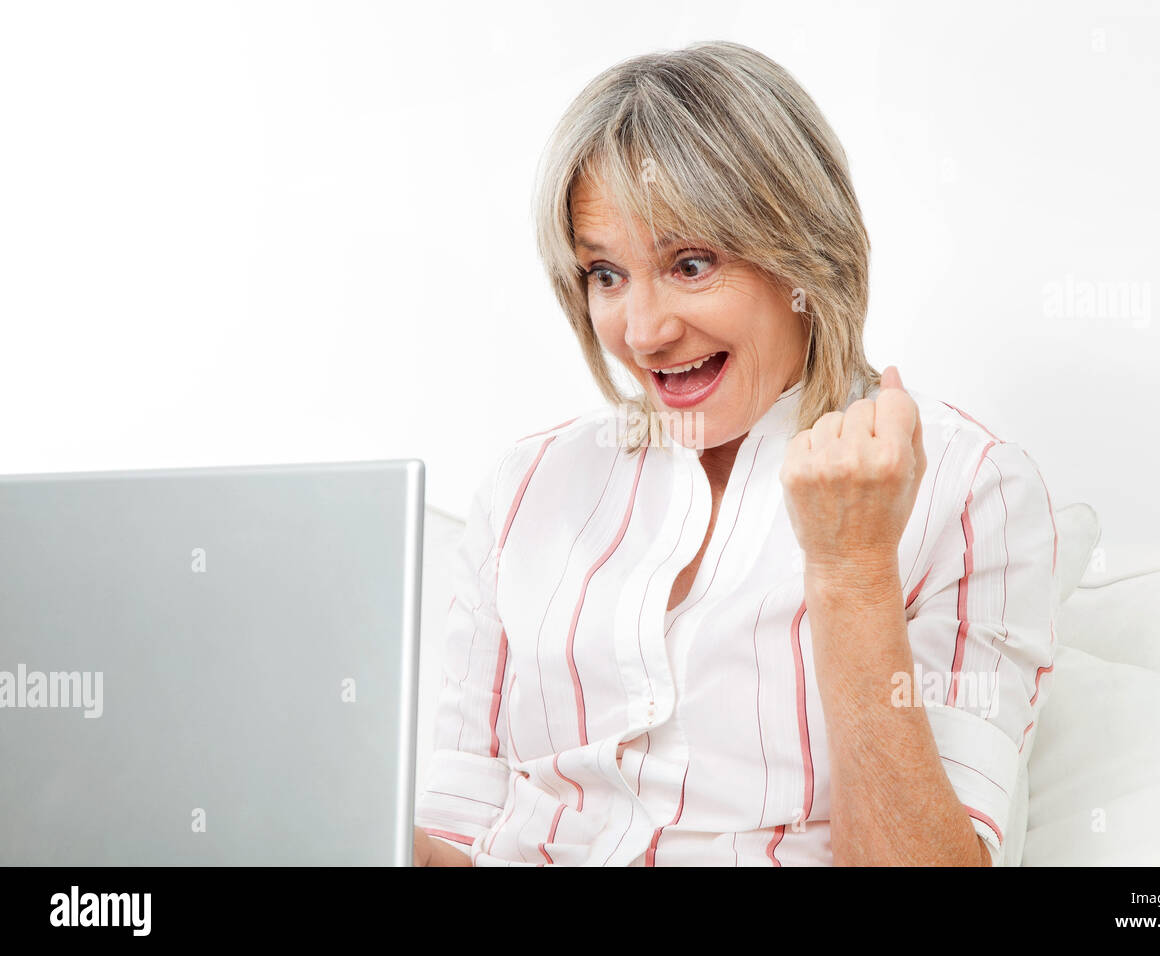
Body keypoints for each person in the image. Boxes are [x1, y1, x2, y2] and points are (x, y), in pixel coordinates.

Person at [413, 40, 1058, 867]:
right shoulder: (528, 487)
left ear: (806, 253)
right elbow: (461, 834)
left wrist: (851, 565)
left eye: (690, 264)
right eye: (605, 274)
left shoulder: (971, 490)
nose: (642, 332)